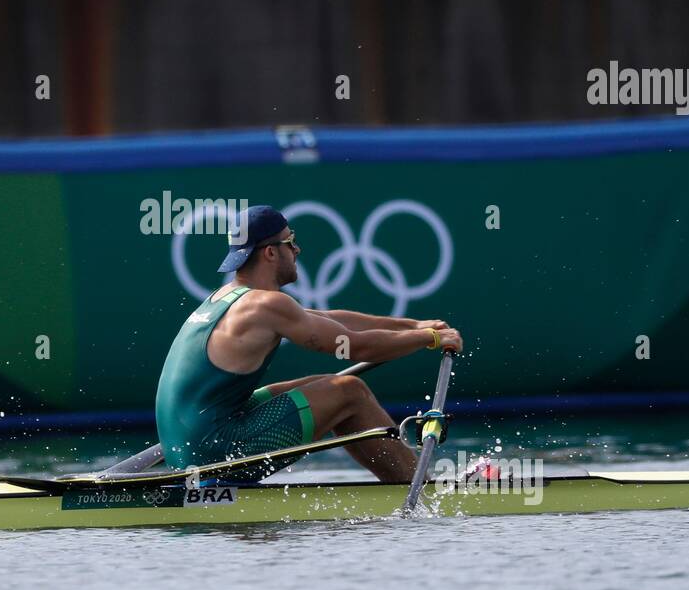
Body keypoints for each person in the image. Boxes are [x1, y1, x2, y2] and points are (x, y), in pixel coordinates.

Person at [155, 205, 463, 481]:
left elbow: (332, 319)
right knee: (349, 392)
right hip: (215, 455)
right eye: (290, 241)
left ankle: (406, 477)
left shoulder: (227, 298)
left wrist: (414, 325)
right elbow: (356, 347)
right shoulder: (267, 305)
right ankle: (421, 488)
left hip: (189, 445)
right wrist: (430, 339)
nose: (298, 249)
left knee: (322, 384)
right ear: (270, 252)